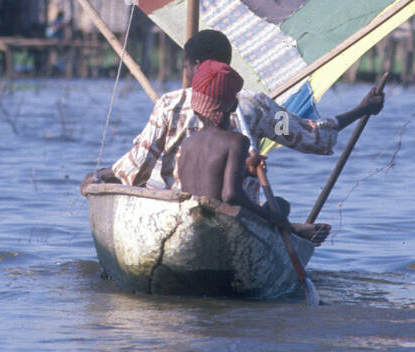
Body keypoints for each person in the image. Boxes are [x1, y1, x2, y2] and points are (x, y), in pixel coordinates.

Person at [81, 30, 385, 238]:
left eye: (187, 66)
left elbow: (135, 170)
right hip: (234, 217)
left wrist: (101, 176)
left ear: (200, 66)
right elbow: (309, 136)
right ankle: (288, 228)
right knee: (279, 206)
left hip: (167, 214)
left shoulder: (169, 105)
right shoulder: (256, 108)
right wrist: (361, 110)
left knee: (279, 206)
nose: (185, 71)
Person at [174, 60, 295, 235]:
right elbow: (231, 195)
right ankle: (296, 230)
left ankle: (297, 230)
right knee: (281, 206)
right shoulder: (236, 141)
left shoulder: (187, 143)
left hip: (190, 226)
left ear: (196, 109)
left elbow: (208, 178)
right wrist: (269, 215)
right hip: (219, 229)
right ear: (234, 105)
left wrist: (245, 170)